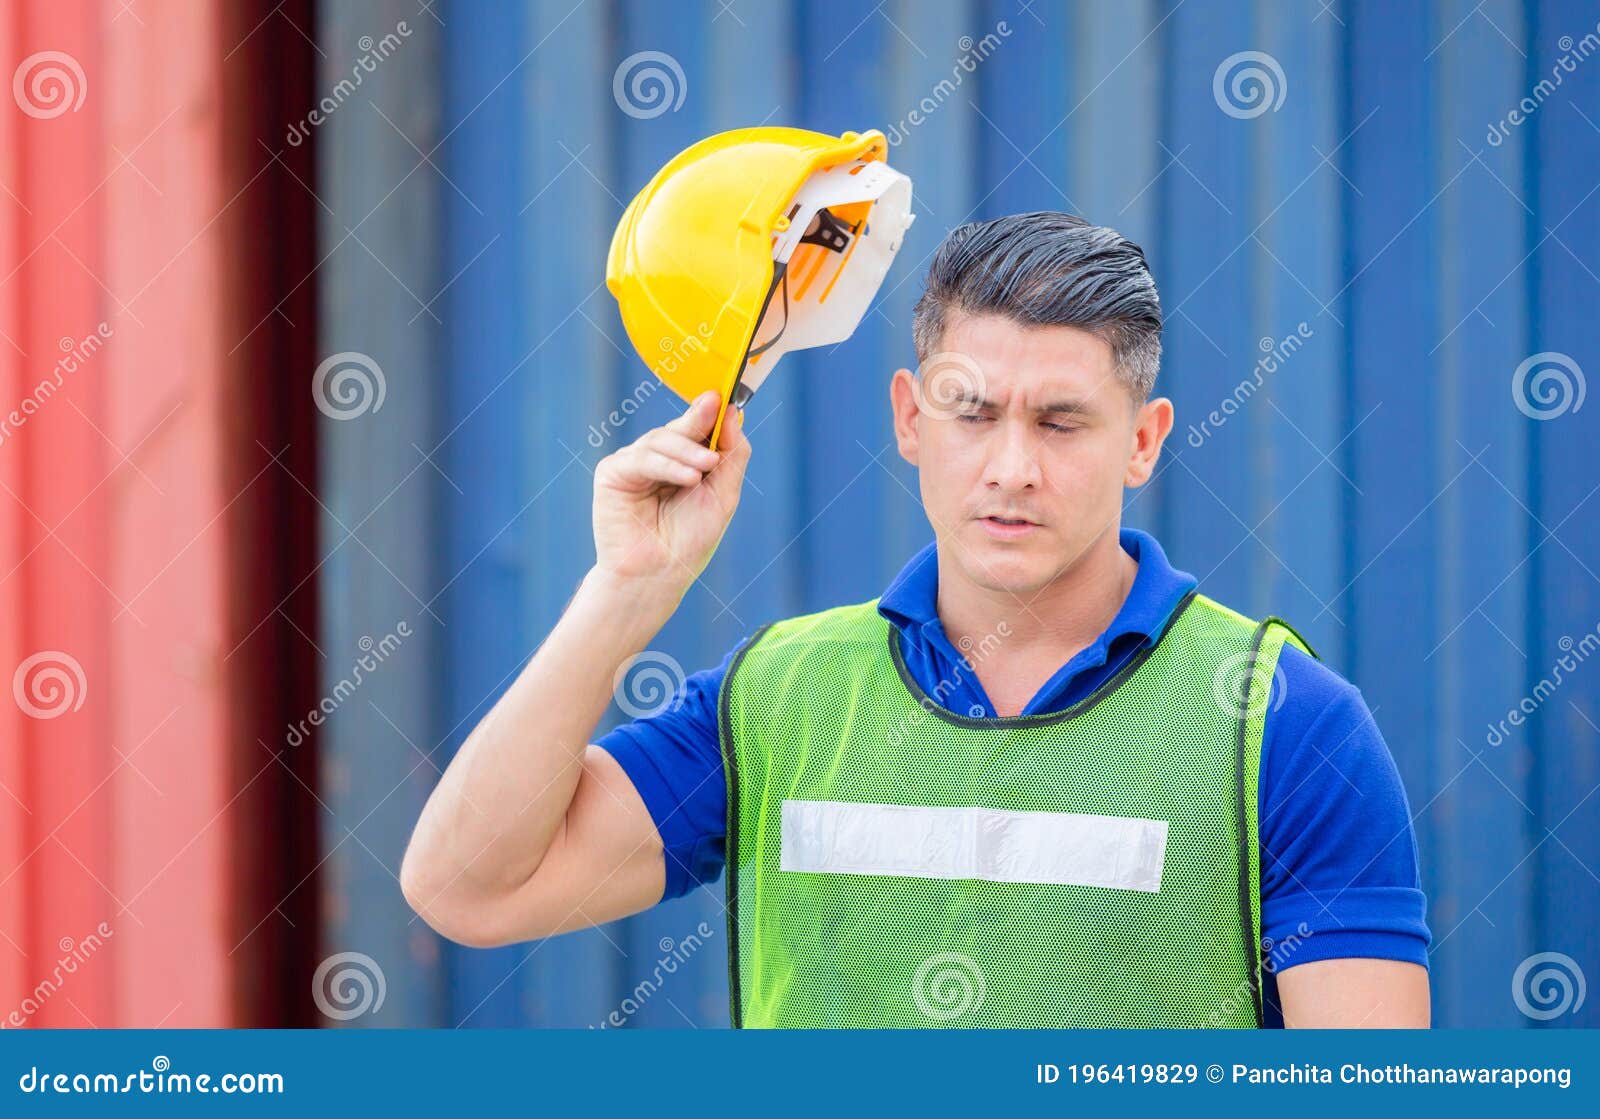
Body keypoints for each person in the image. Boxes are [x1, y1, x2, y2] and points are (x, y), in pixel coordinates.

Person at [401, 212, 1431, 1028]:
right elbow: (468, 890)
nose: (1011, 468)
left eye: (1061, 422)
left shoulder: (1281, 723)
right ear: (909, 418)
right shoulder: (779, 699)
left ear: (1144, 441)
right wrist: (626, 590)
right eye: (972, 412)